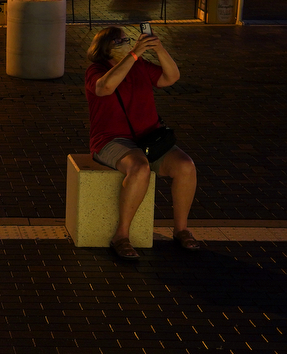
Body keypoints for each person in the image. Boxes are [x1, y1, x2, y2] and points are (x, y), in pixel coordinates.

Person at [84, 25, 204, 260]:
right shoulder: (95, 70)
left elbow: (171, 77)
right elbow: (105, 87)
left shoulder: (139, 66)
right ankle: (121, 235)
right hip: (111, 140)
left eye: (127, 40)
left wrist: (159, 49)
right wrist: (134, 54)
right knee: (139, 168)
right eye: (119, 42)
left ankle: (181, 229)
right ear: (105, 48)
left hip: (149, 137)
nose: (126, 44)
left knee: (186, 166)